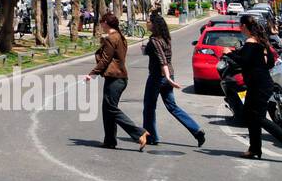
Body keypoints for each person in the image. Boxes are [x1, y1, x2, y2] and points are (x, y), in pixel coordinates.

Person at [233, 14, 282, 162]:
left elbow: (243, 61)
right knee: (250, 116)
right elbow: (269, 63)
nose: (240, 28)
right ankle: (254, 149)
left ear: (244, 26)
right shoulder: (262, 42)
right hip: (263, 83)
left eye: (240, 25)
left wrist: (229, 53)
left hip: (258, 85)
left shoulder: (250, 42)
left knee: (258, 117)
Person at [84, 13, 149, 151]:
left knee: (110, 109)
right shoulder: (120, 36)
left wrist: (92, 74)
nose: (101, 25)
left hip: (115, 78)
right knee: (107, 109)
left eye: (102, 22)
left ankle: (139, 133)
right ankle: (109, 141)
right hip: (119, 78)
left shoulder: (111, 38)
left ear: (106, 23)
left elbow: (105, 59)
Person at [142, 10, 205, 148]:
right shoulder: (166, 38)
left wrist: (167, 78)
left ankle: (151, 136)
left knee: (149, 107)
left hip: (158, 77)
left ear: (154, 24)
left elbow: (162, 60)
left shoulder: (154, 40)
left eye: (148, 21)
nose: (146, 23)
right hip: (168, 74)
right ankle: (196, 130)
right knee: (172, 106)